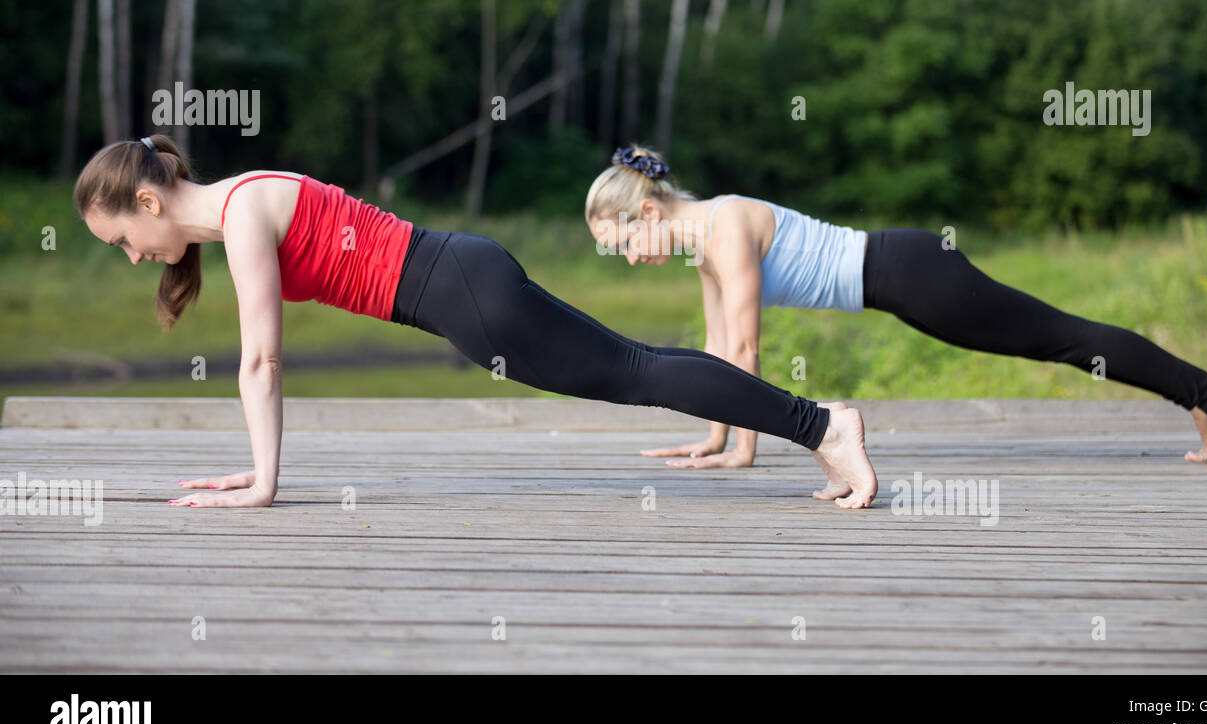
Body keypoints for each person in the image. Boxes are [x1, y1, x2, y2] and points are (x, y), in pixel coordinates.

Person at [72, 135, 877, 510]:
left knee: (637, 371)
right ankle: (819, 426)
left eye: (121, 241)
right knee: (635, 369)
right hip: (463, 283)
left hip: (462, 292)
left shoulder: (244, 212)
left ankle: (822, 425)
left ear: (147, 201)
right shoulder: (242, 201)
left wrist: (265, 483)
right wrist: (259, 471)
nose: (134, 257)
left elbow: (262, 362)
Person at [584, 144, 1207, 472]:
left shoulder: (726, 226)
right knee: (1060, 337)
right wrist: (715, 436)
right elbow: (715, 345)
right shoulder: (702, 242)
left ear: (647, 211)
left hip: (913, 272)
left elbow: (745, 353)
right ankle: (1199, 401)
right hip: (900, 286)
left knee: (1059, 338)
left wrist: (746, 448)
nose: (626, 256)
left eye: (622, 242)